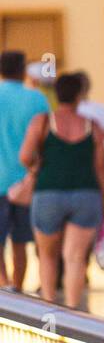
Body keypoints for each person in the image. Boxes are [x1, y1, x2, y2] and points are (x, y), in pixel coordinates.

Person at [19, 73, 104, 307]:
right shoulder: (93, 126)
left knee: (47, 256)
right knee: (75, 257)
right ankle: (71, 311)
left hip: (48, 193)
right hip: (85, 194)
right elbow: (100, 169)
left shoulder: (43, 122)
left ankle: (49, 308)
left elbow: (25, 156)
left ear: (56, 95)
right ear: (80, 95)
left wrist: (37, 166)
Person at [0, 49, 49, 291]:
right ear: (22, 70)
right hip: (27, 181)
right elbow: (45, 140)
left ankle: (3, 282)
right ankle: (17, 288)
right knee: (21, 241)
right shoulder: (37, 99)